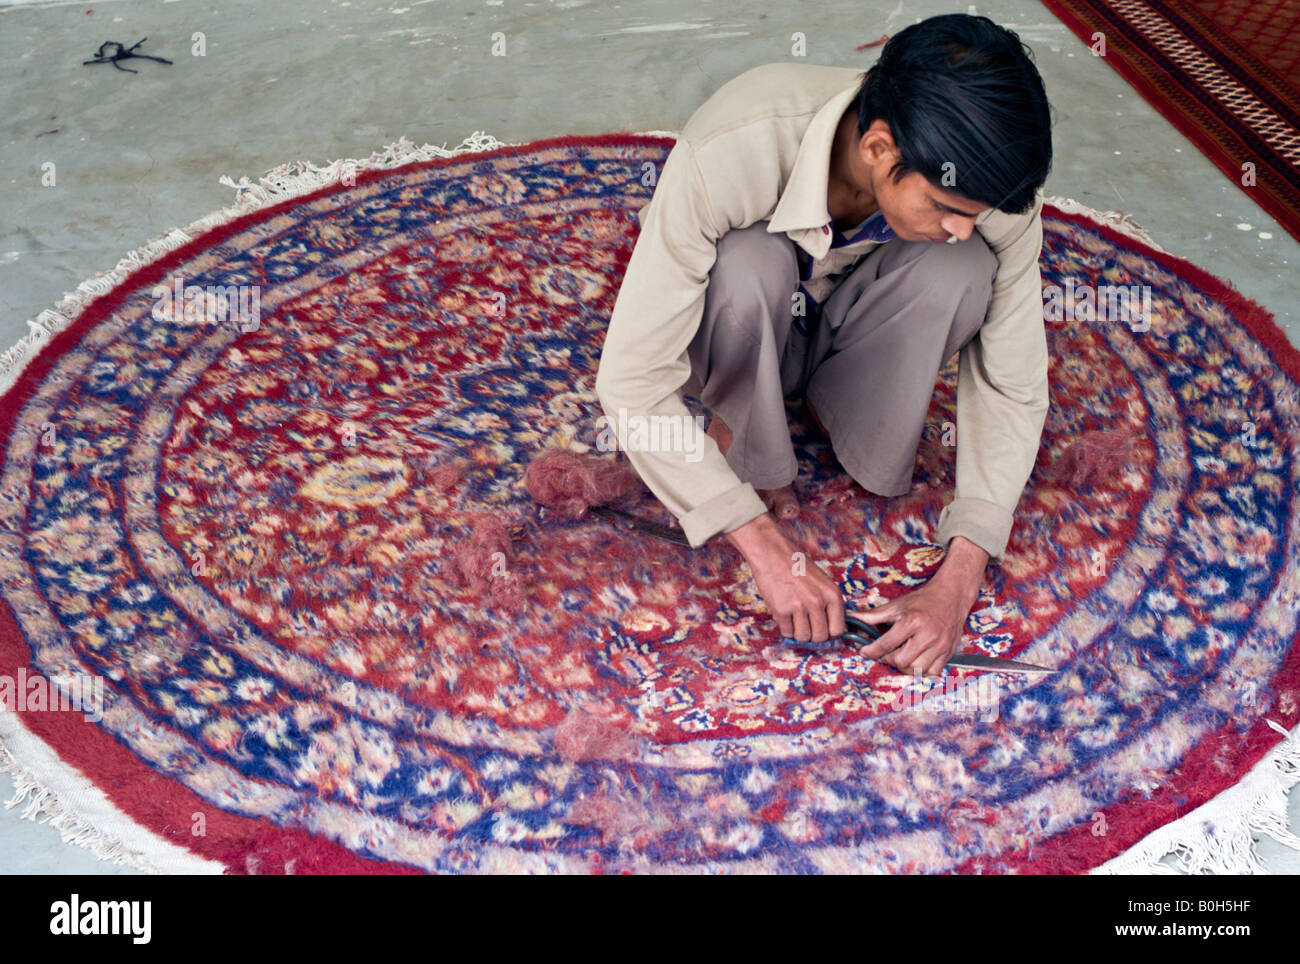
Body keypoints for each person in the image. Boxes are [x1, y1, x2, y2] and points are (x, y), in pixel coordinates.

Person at [594, 14, 1053, 676]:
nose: (960, 226)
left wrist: (958, 581)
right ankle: (751, 438)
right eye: (946, 206)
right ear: (877, 148)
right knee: (743, 263)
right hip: (746, 324)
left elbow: (1012, 384)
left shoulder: (991, 192)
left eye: (974, 214)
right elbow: (631, 381)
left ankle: (843, 423)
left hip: (851, 334)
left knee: (963, 266)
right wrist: (758, 541)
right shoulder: (732, 144)